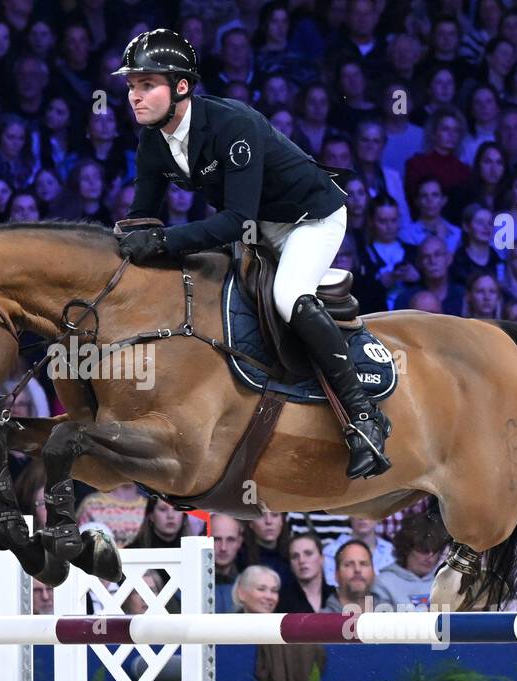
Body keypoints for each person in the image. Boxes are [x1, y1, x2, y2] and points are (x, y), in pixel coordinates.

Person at [113, 29, 389, 479]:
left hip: (310, 219)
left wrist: (163, 242)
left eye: (146, 85)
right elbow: (142, 218)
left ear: (181, 86)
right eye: (131, 87)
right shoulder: (152, 142)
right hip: (259, 227)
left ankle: (364, 418)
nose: (134, 97)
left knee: (287, 296)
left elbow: (233, 220)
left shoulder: (232, 125)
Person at [370, 512, 448, 609]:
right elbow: (382, 623)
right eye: (423, 550)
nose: (430, 557)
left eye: (436, 550)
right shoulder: (383, 583)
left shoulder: (444, 583)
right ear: (406, 549)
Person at [322, 515, 395, 587]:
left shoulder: (391, 551)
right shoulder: (331, 552)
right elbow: (332, 588)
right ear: (349, 515)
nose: (362, 517)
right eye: (357, 512)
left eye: (368, 511)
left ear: (379, 517)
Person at [322, 540, 386, 613]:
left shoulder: (392, 617)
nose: (357, 569)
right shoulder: (319, 622)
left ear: (373, 572)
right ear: (336, 574)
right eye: (348, 564)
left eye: (363, 564)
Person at [277, 534, 325, 613]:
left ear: (322, 558)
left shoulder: (336, 595)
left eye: (308, 554)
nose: (301, 560)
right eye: (295, 556)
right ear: (290, 564)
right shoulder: (281, 599)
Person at [209, 513, 243, 613]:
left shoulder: (250, 587)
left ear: (239, 542)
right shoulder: (185, 589)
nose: (223, 547)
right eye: (216, 539)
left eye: (230, 540)